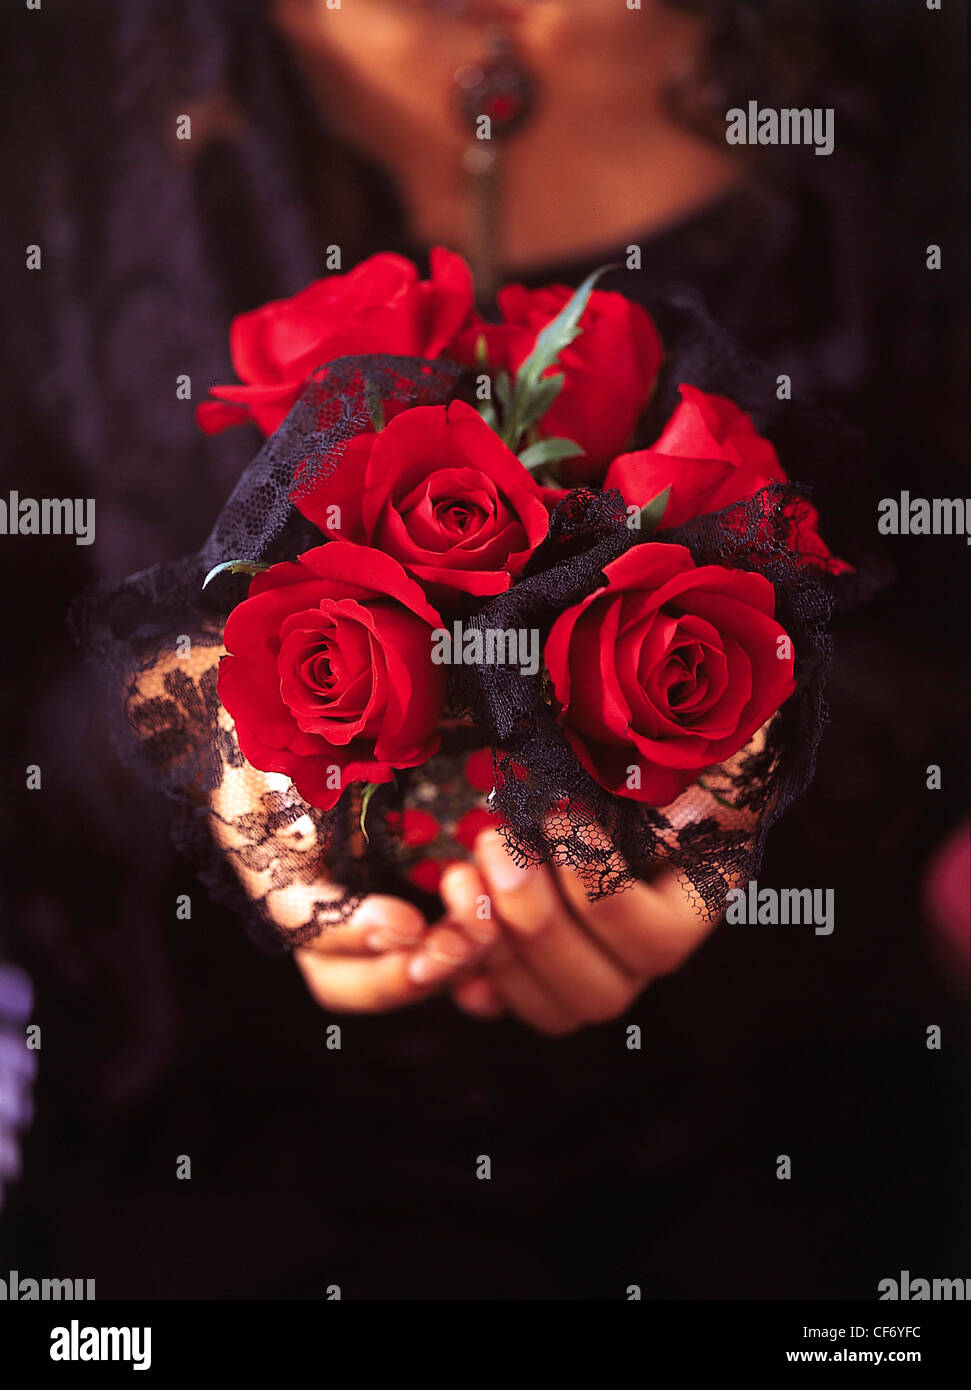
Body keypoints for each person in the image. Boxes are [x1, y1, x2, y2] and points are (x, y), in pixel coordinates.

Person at [1, 0, 965, 1298]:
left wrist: (770, 752)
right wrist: (191, 725)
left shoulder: (912, 70)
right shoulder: (47, 76)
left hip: (807, 1171)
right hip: (190, 1176)